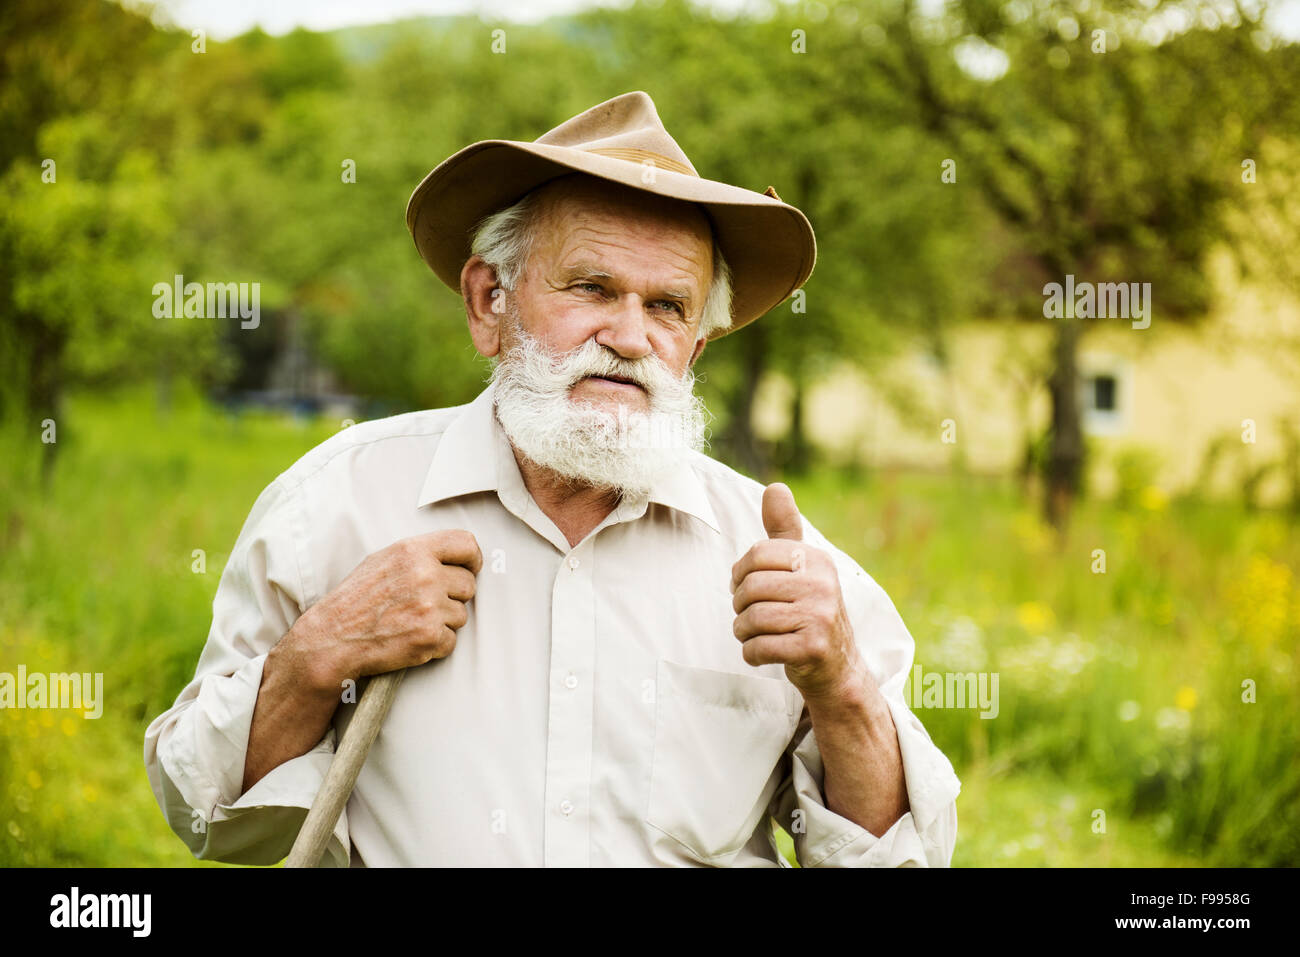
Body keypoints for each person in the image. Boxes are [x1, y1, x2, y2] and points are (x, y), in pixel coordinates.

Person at [144, 91, 960, 867]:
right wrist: (318, 655)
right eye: (592, 287)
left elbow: (897, 859)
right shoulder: (338, 503)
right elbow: (200, 810)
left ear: (695, 349)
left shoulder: (771, 554)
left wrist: (845, 689)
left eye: (669, 307)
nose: (630, 335)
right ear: (488, 300)